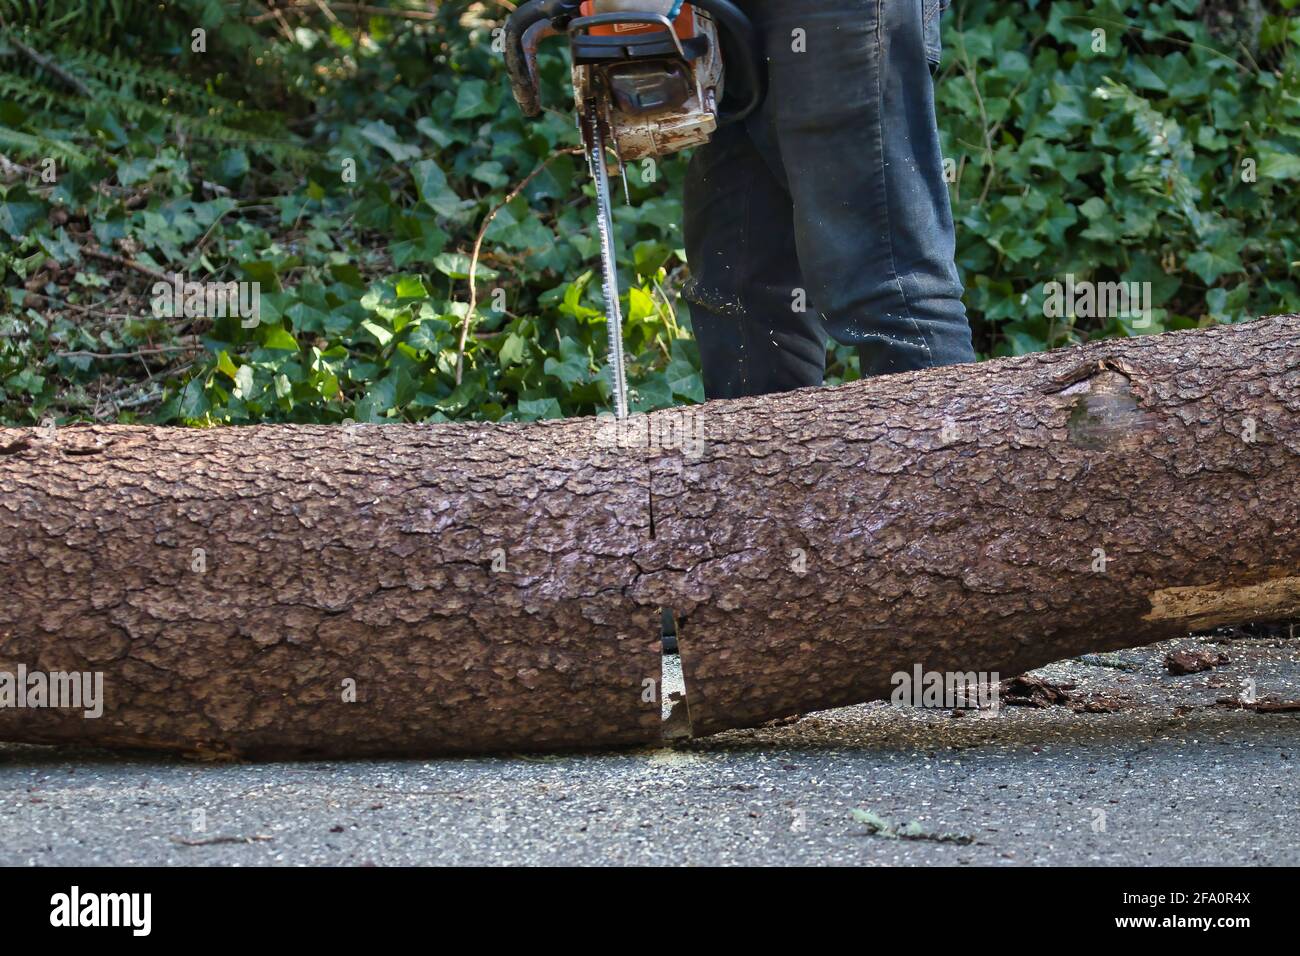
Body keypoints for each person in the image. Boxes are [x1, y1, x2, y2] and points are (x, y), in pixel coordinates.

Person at [684, 0, 975, 399]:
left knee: (891, 288)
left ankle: (950, 451)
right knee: (743, 299)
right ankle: (765, 458)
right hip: (725, 16)